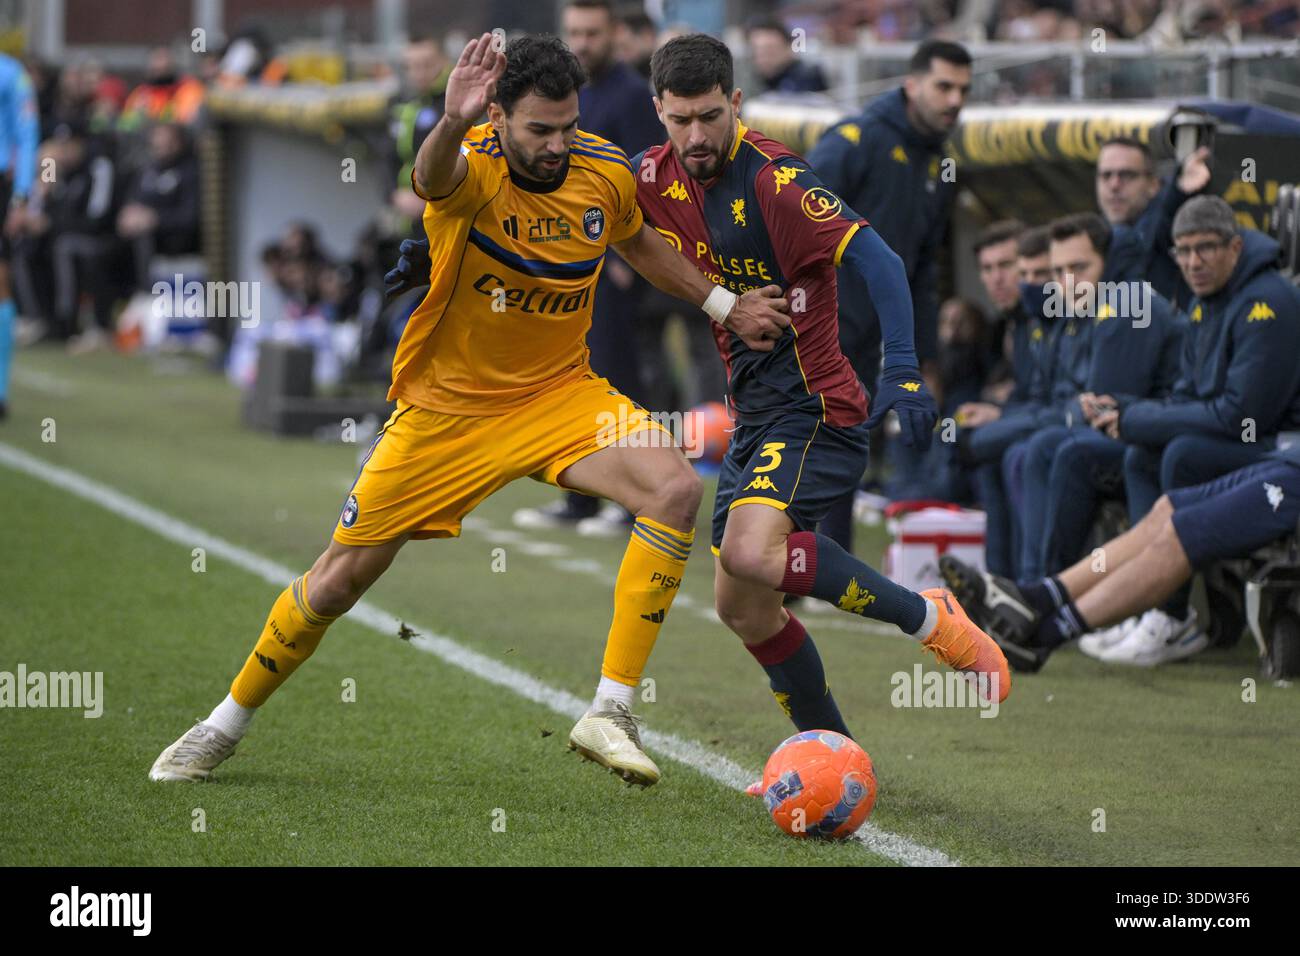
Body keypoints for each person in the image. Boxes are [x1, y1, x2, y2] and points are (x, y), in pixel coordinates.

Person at [150, 33, 790, 789]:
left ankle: (611, 710)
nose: (556, 146)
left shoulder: (603, 170)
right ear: (498, 117)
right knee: (337, 582)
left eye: (567, 127)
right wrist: (452, 121)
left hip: (559, 395)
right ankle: (224, 722)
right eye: (539, 131)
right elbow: (431, 176)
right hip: (447, 411)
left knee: (675, 488)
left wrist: (723, 301)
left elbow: (640, 244)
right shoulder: (474, 165)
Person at [633, 34, 1009, 745]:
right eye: (679, 119)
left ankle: (928, 615)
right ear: (658, 111)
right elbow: (601, 220)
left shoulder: (775, 180)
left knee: (749, 555)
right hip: (755, 419)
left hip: (818, 409)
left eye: (709, 115)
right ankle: (831, 750)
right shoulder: (652, 176)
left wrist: (901, 366)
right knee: (743, 608)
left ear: (736, 103)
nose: (695, 134)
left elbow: (882, 258)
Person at [1084, 195, 1300, 662]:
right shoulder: (1206, 303)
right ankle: (1152, 609)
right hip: (1247, 443)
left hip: (1278, 451)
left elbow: (1241, 417)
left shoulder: (1269, 302)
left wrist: (1137, 418)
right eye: (1182, 251)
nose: (1192, 262)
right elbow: (1187, 395)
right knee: (1142, 453)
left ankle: (1171, 613)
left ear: (1236, 247)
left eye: (1205, 248)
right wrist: (1125, 409)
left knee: (1181, 453)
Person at [939, 440, 1300, 671]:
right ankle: (1036, 598)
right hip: (1288, 458)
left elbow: (1241, 404)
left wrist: (1138, 417)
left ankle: (1043, 636)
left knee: (1180, 529)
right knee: (1166, 509)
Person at [807, 40, 971, 545]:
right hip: (819, 325)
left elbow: (924, 269)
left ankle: (825, 564)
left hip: (878, 332)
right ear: (912, 85)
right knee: (812, 444)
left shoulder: (942, 164)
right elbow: (790, 219)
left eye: (963, 90)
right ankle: (782, 564)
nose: (954, 100)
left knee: (850, 442)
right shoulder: (855, 141)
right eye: (943, 86)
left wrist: (924, 356)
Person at [0, 52, 37, 421]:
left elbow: (27, 136)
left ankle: (0, 390)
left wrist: (23, 195)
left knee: (0, 283)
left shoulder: (11, 74)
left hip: (1, 185)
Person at [745, 17, 829, 94]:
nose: (763, 58)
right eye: (757, 50)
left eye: (770, 50)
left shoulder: (808, 77)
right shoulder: (755, 79)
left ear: (788, 47)